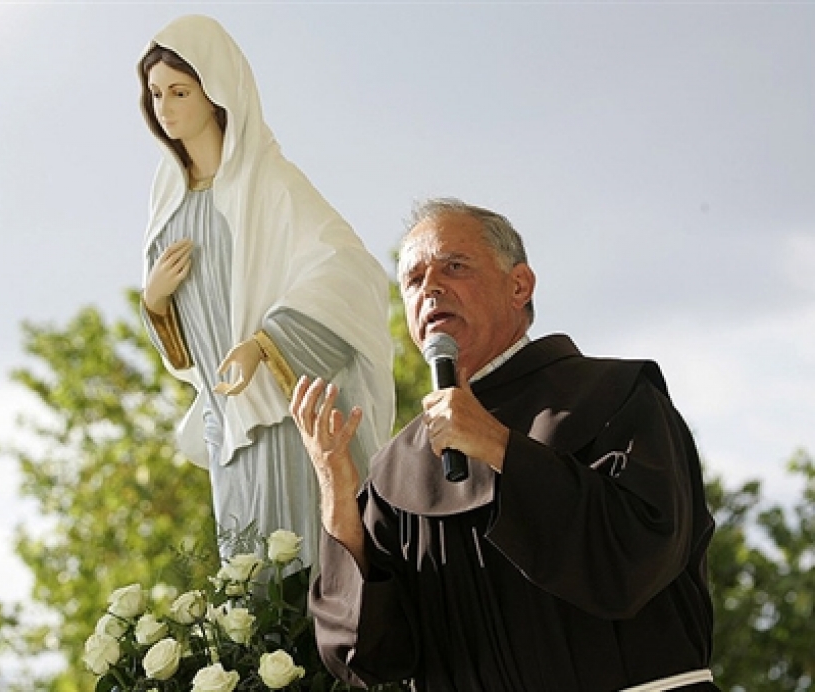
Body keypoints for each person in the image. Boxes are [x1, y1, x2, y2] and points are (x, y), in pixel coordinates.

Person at [292, 198, 719, 691]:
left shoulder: (613, 396)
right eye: (412, 280)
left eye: (454, 266)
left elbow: (633, 559)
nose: (430, 287)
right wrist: (340, 503)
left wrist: (499, 445)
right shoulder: (395, 470)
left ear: (519, 285)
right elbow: (371, 657)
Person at [137, 15, 395, 571]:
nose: (165, 107)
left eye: (180, 92)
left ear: (217, 91)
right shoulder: (169, 202)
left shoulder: (269, 182)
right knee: (245, 579)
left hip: (280, 413)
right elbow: (185, 344)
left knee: (294, 561)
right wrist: (154, 303)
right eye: (156, 94)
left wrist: (265, 342)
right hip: (224, 423)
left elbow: (348, 269)